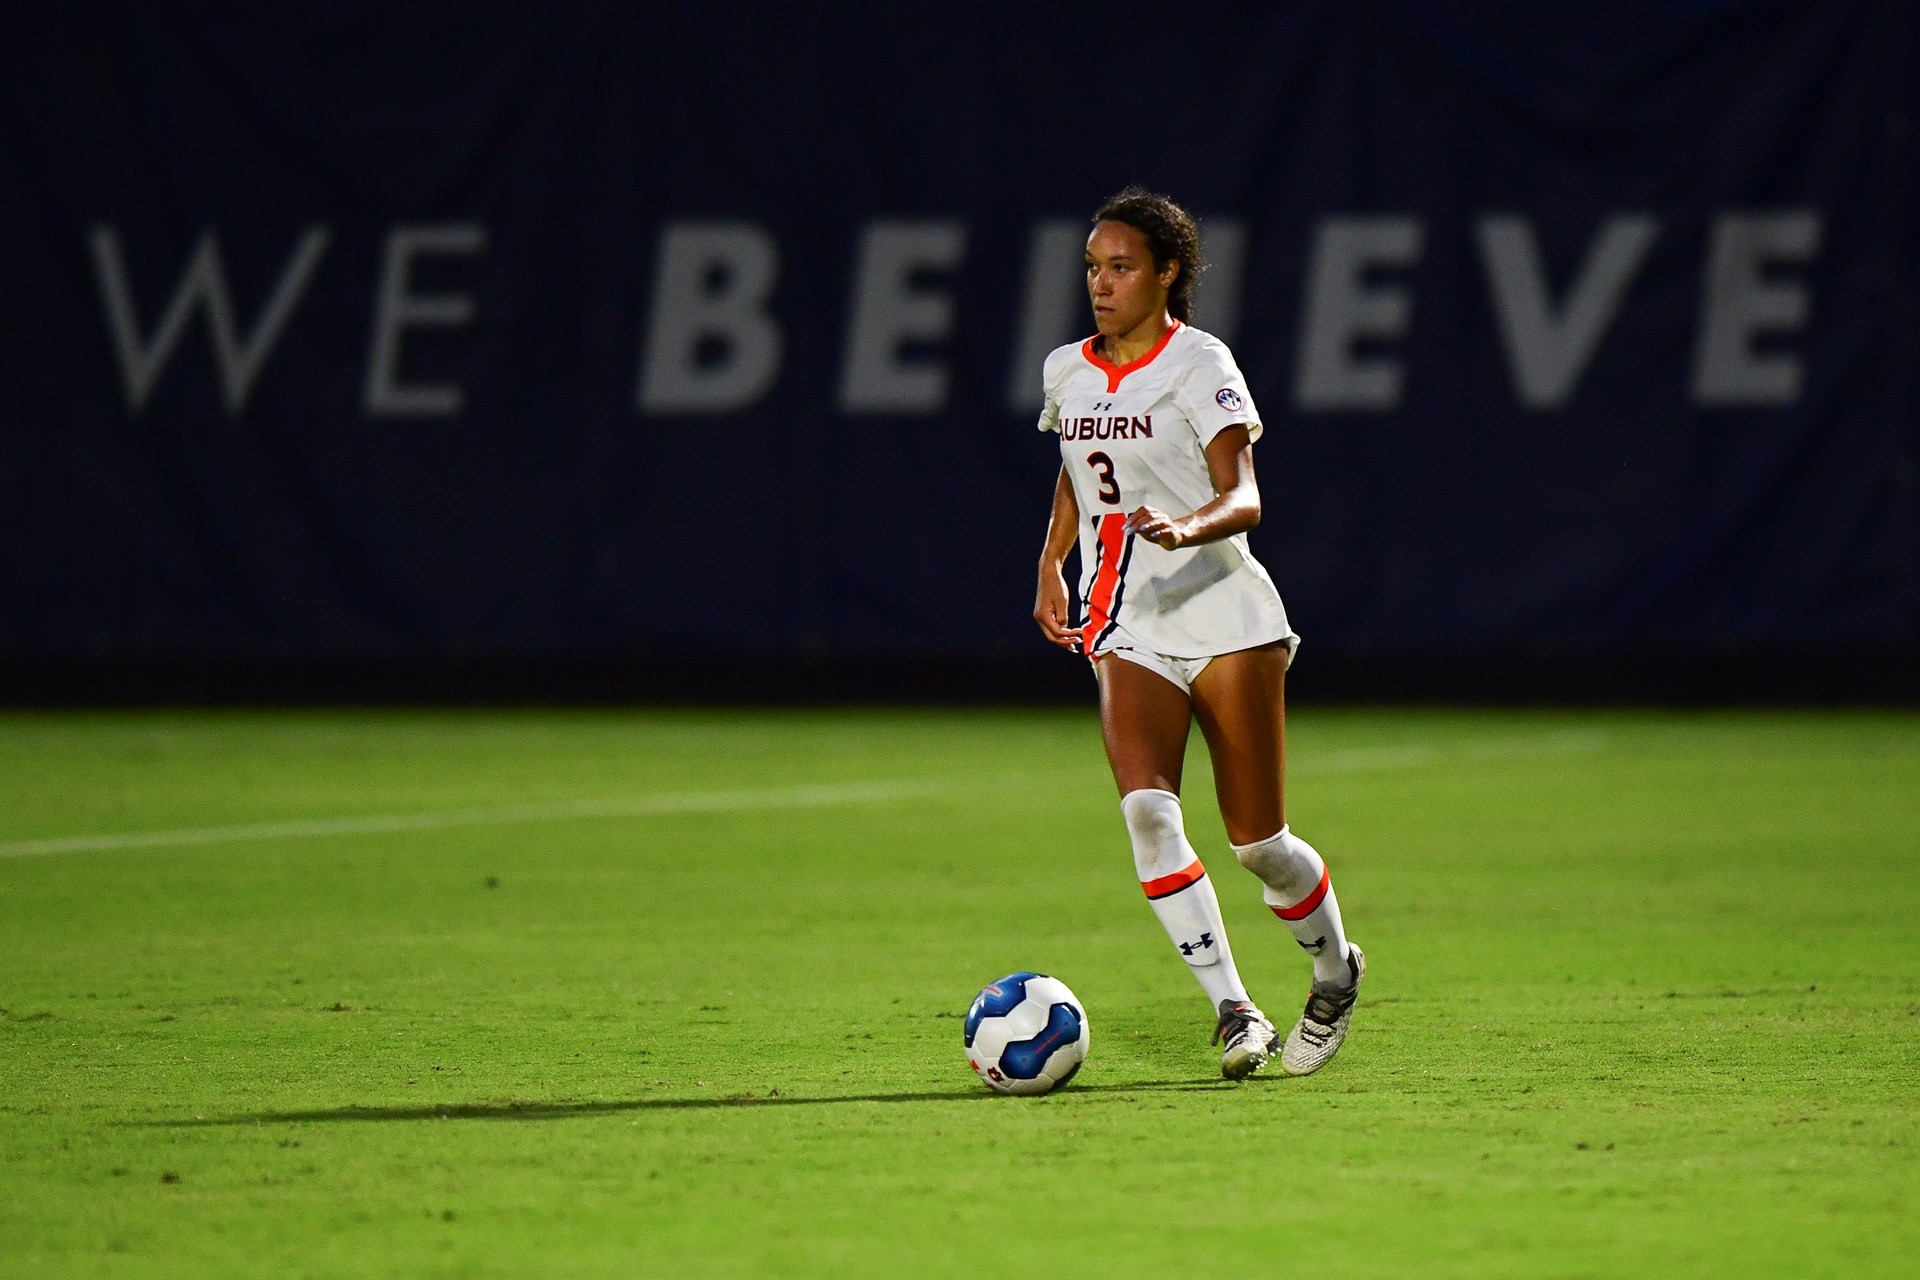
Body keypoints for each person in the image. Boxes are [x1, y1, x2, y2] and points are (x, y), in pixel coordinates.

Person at [1032, 187, 1363, 1079]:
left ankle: (1334, 974)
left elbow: (1247, 492)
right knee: (1147, 811)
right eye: (1093, 268)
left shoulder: (1198, 362)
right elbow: (1076, 470)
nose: (1100, 284)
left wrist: (1192, 525)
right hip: (1125, 617)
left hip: (1222, 613)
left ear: (1168, 272)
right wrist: (1052, 559)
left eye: (1121, 267)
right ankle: (1234, 1010)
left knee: (1258, 842)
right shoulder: (1067, 367)